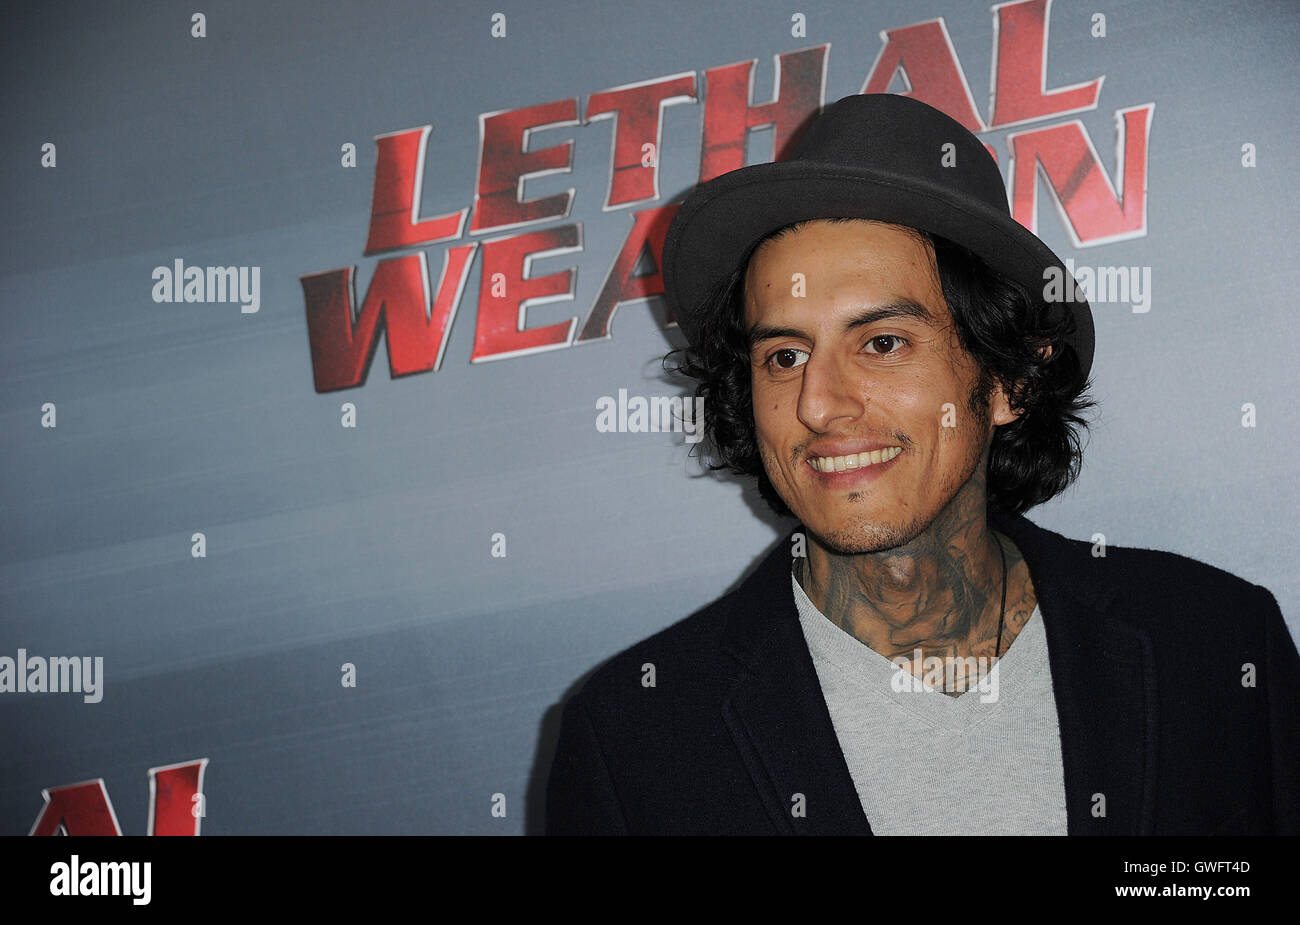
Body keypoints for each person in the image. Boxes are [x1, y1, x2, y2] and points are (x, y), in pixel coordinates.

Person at [544, 93, 1299, 835]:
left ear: (1011, 379)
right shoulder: (635, 742)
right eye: (784, 354)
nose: (818, 403)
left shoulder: (1217, 650)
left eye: (881, 343)